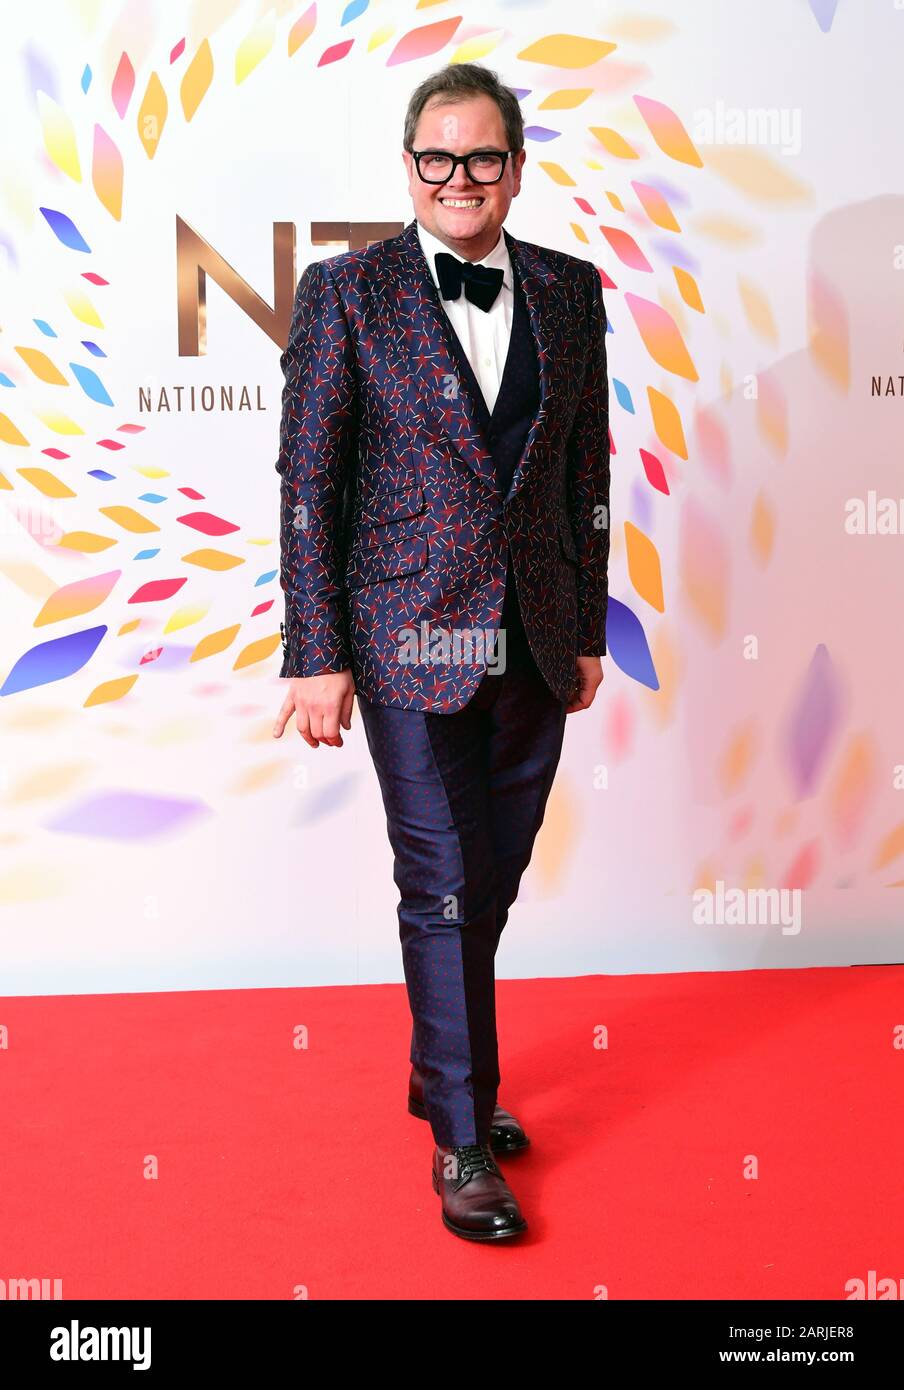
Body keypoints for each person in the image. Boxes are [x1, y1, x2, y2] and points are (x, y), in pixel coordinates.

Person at [273, 62, 610, 1241]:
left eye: (480, 157)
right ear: (407, 165)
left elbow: (584, 472)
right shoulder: (346, 293)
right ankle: (462, 1134)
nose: (457, 178)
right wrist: (314, 653)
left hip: (530, 634)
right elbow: (310, 484)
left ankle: (439, 1070)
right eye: (436, 157)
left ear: (515, 167)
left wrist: (584, 624)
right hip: (406, 634)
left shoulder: (571, 291)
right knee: (444, 878)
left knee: (497, 873)